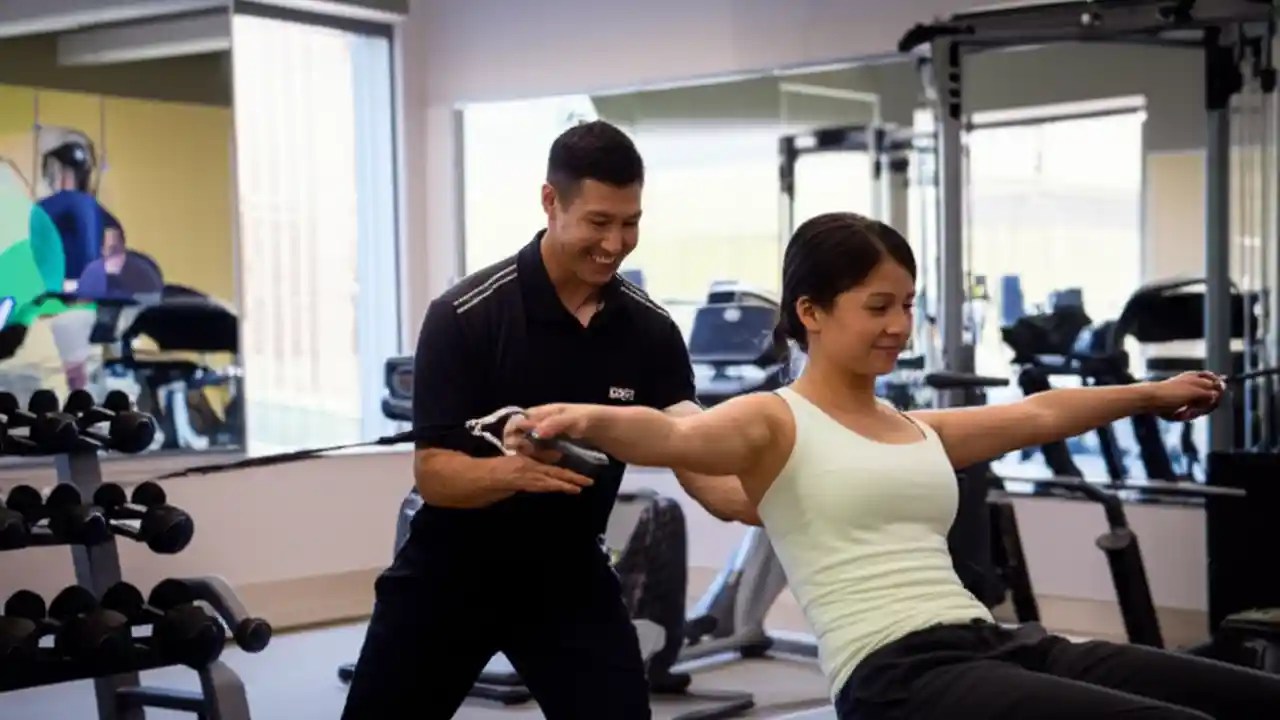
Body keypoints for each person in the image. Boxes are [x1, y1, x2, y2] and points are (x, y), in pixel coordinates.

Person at [511, 211, 1280, 720]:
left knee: (1251, 698)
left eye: (907, 305)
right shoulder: (776, 419)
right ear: (810, 312)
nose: (900, 326)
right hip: (895, 676)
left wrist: (1149, 392)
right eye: (878, 307)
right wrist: (572, 417)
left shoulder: (911, 425)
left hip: (988, 642)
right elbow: (669, 437)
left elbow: (1040, 414)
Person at [340, 120, 758, 720]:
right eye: (598, 222)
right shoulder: (465, 316)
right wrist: (515, 474)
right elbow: (434, 475)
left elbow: (693, 451)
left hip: (568, 573)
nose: (615, 243)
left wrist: (769, 502)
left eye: (630, 222)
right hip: (451, 571)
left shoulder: (650, 332)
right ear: (550, 202)